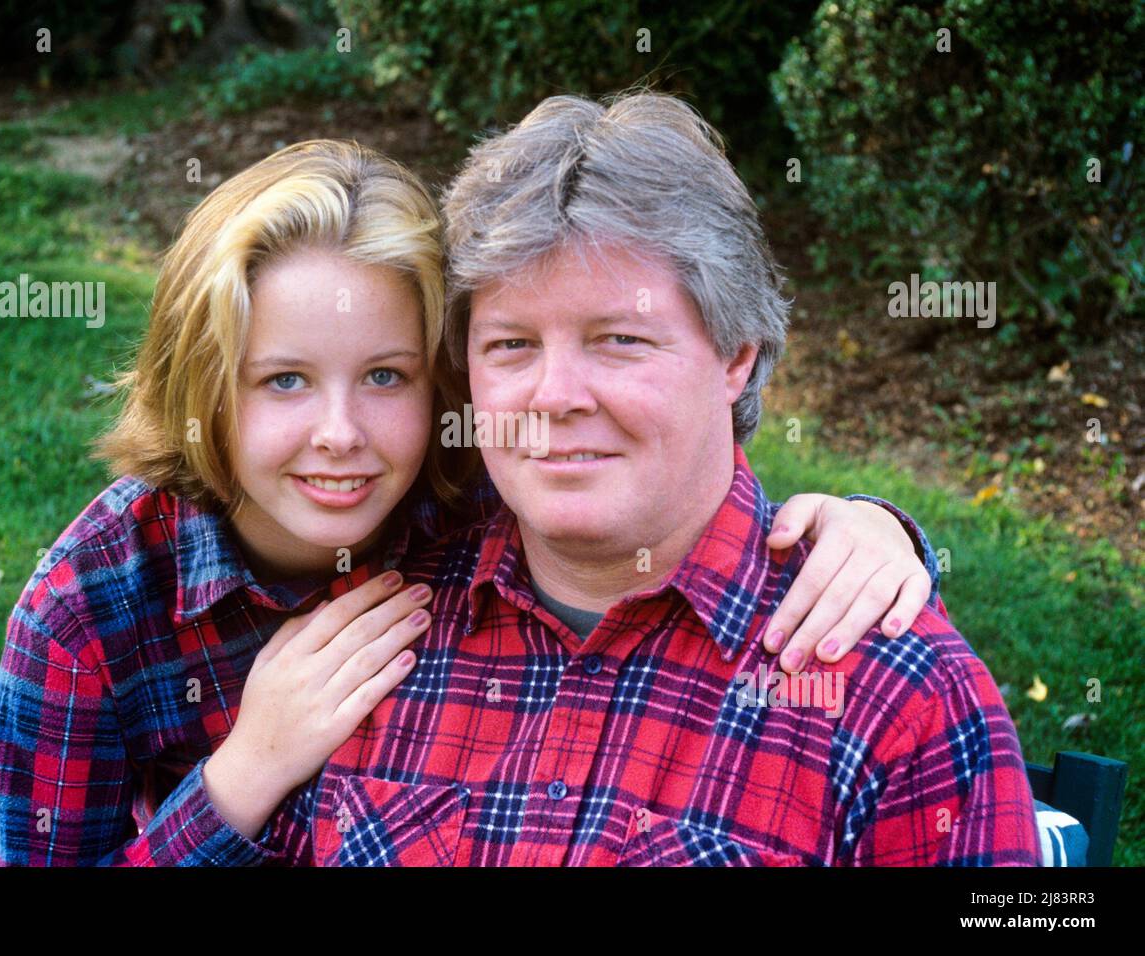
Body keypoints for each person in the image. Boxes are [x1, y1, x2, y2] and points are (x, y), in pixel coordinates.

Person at [0, 138, 940, 866]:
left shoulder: (475, 501)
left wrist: (877, 528)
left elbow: (667, 481)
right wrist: (241, 774)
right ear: (203, 385)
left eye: (386, 376)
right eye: (284, 381)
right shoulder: (93, 604)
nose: (341, 432)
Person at [259, 96, 1042, 866]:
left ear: (736, 354)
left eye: (620, 339)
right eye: (512, 345)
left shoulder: (900, 696)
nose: (555, 396)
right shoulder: (367, 640)